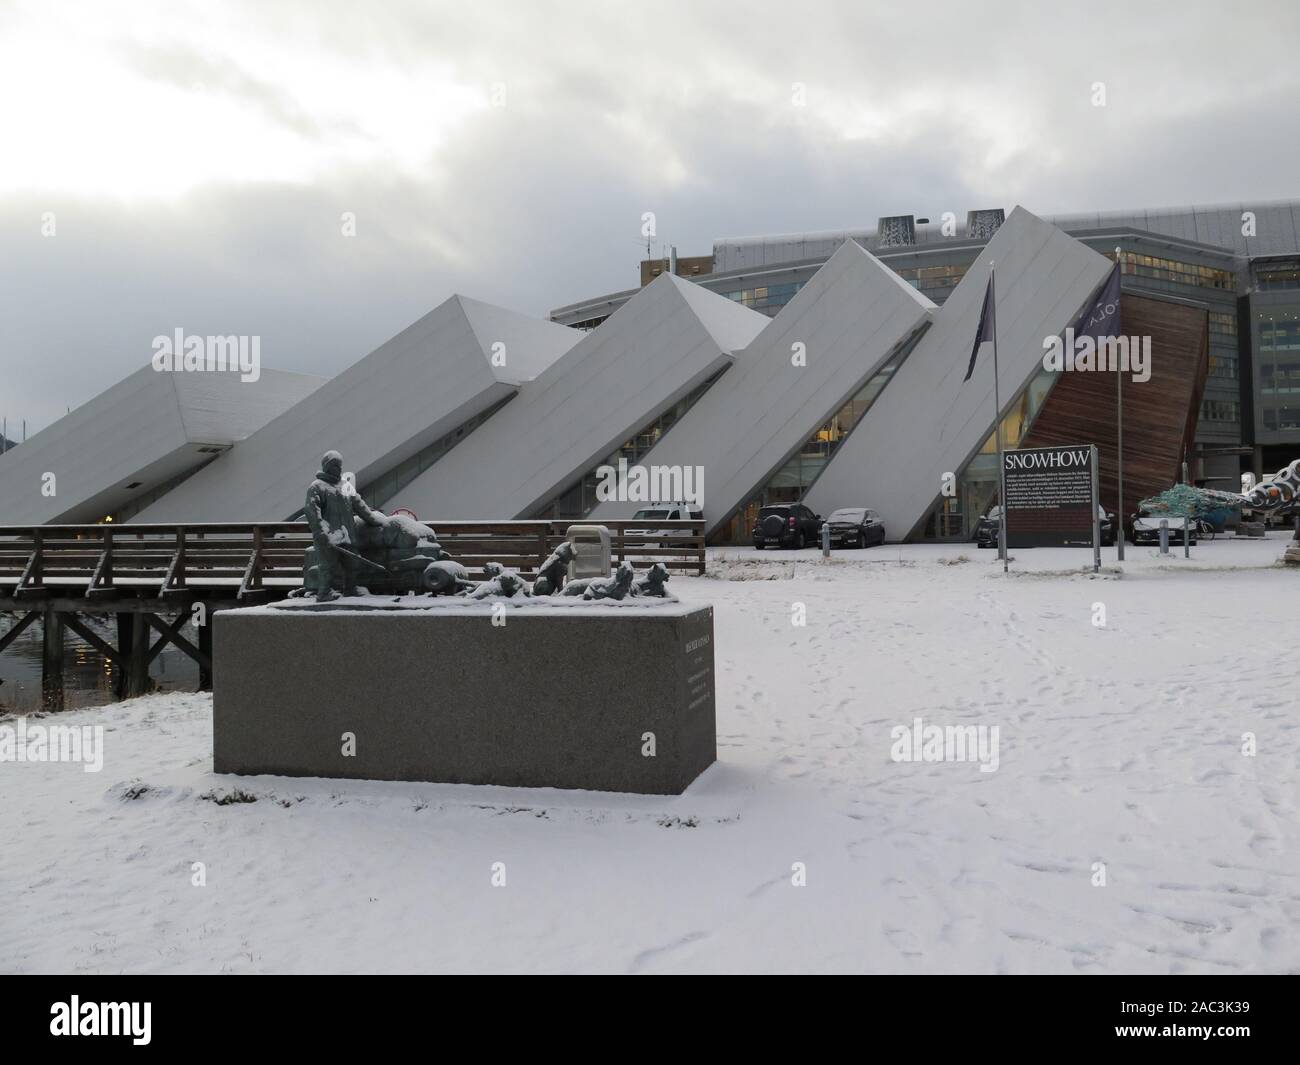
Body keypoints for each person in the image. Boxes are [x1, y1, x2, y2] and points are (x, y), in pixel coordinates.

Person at [305, 450, 385, 600]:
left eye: (340, 465)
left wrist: (375, 521)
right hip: (328, 534)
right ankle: (323, 593)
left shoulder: (345, 486)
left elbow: (360, 506)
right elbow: (312, 512)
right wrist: (320, 532)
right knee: (327, 565)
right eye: (335, 465)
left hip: (347, 533)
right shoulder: (317, 487)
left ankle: (350, 588)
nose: (339, 469)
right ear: (327, 466)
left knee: (353, 564)